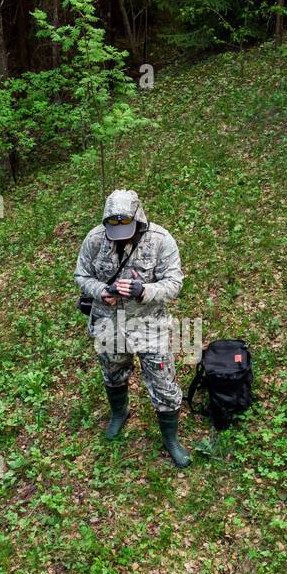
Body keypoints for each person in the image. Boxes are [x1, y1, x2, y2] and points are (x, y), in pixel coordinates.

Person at [74, 189, 190, 467]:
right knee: (113, 372)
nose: (120, 234)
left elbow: (174, 283)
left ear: (138, 218)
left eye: (125, 226)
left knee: (163, 383)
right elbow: (81, 275)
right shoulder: (94, 239)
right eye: (114, 227)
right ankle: (119, 413)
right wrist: (102, 291)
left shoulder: (161, 240)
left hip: (150, 325)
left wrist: (144, 290)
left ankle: (171, 439)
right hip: (109, 324)